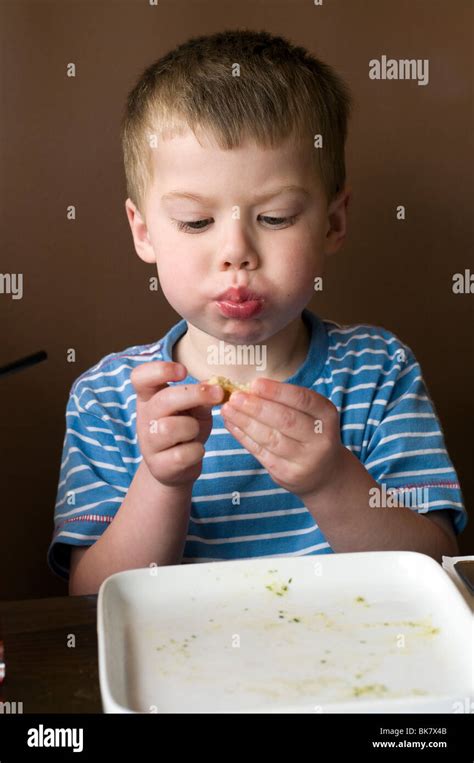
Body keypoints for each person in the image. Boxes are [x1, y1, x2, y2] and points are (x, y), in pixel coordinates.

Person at [47, 29, 465, 595]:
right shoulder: (109, 398)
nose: (236, 252)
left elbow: (440, 570)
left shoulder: (380, 371)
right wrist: (161, 482)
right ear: (143, 232)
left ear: (333, 224)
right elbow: (90, 599)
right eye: (196, 222)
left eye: (276, 217)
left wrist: (332, 480)